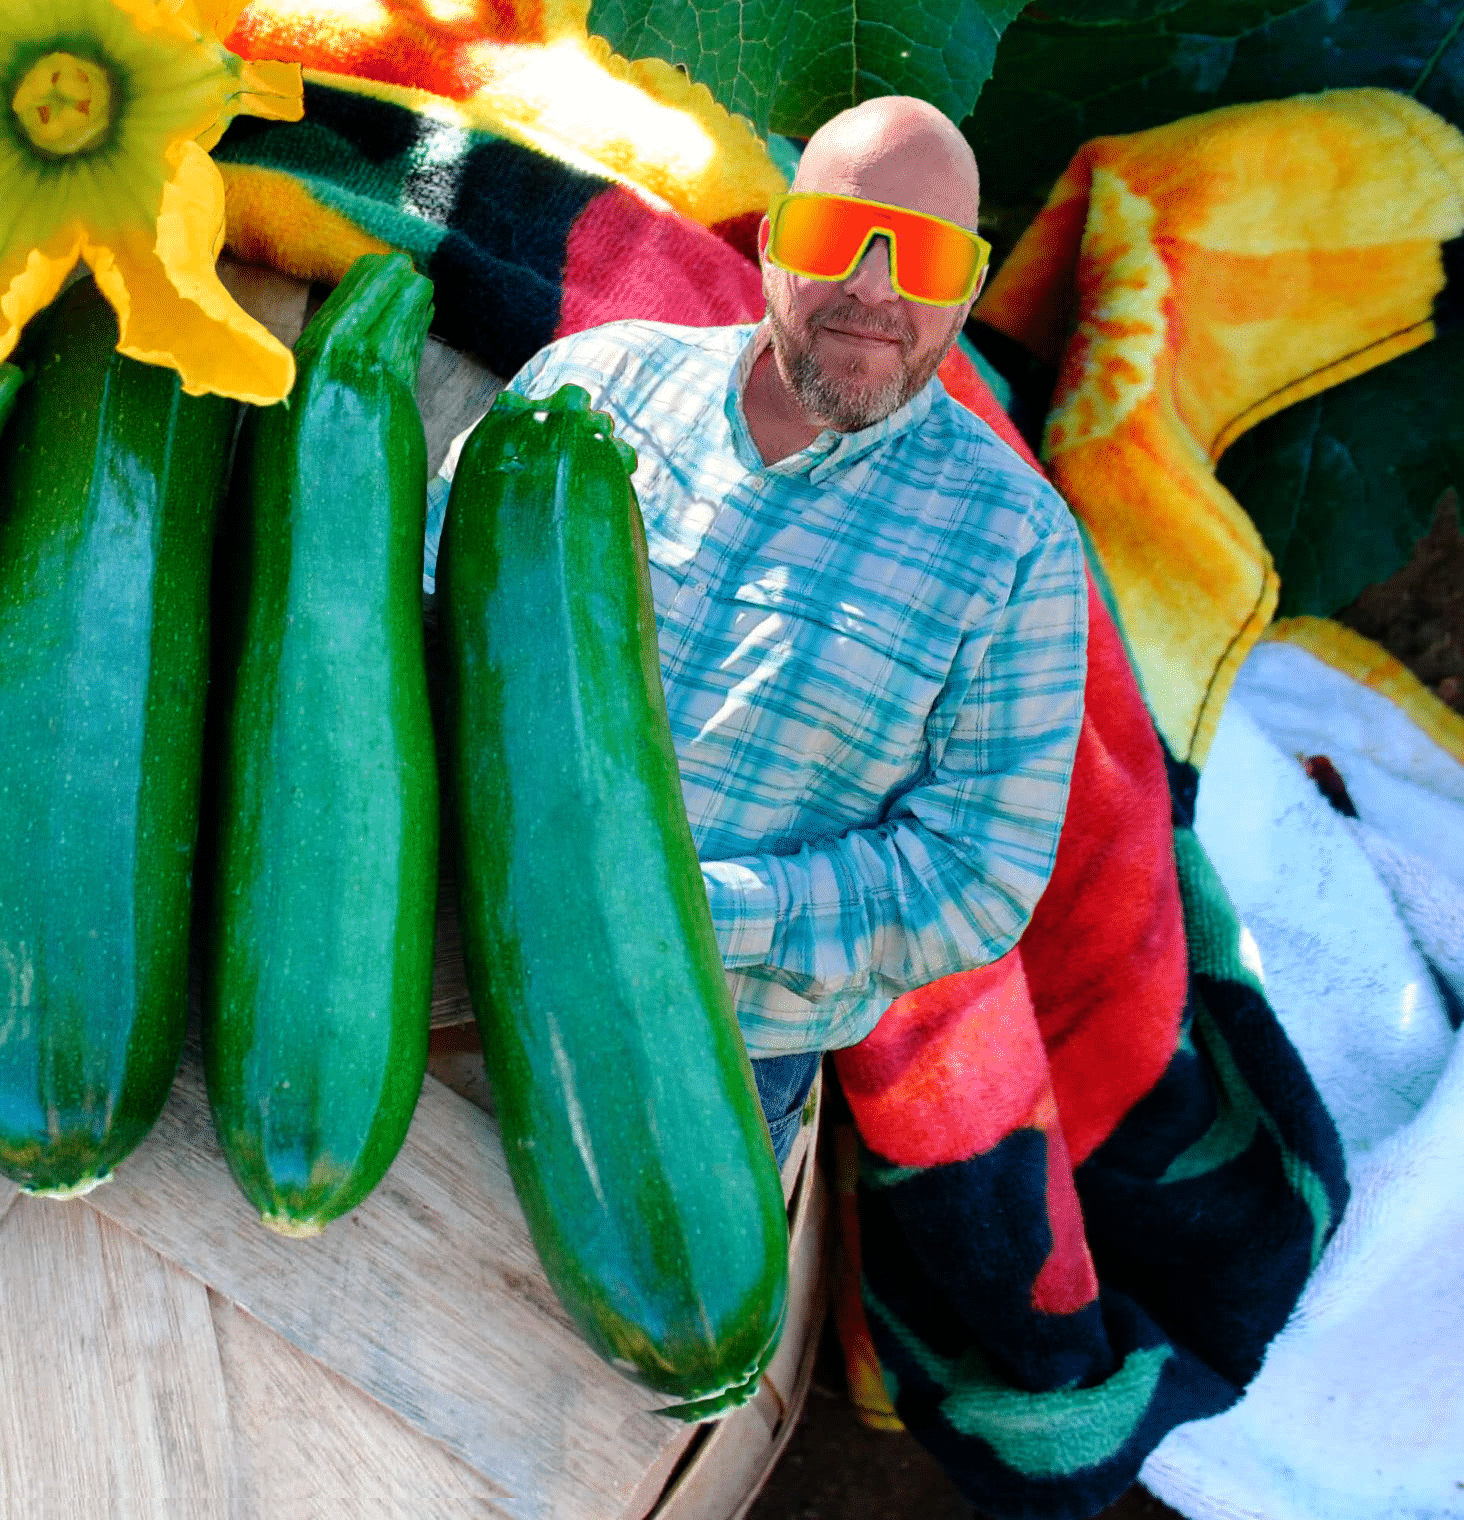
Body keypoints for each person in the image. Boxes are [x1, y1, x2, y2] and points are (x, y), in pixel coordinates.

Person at [424, 96, 1090, 1165]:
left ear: (967, 287)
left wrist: (682, 899)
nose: (872, 289)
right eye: (837, 237)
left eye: (920, 258)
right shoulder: (591, 390)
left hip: (706, 1055)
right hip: (431, 947)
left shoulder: (1016, 548)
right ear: (775, 242)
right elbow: (419, 624)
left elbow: (978, 875)